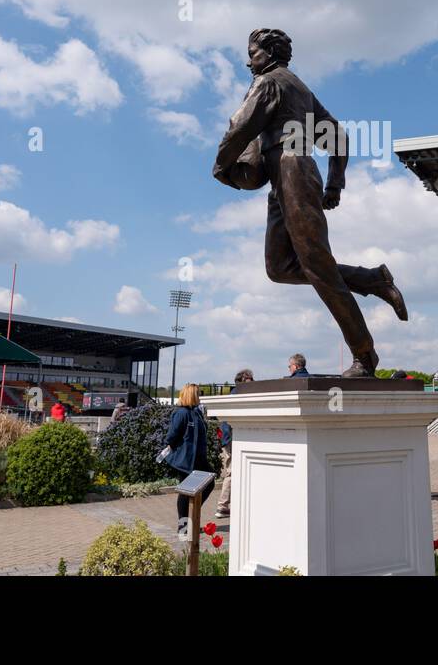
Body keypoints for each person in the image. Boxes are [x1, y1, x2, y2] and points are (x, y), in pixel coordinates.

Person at [211, 28, 408, 378]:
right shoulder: (299, 88)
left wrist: (220, 165)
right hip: (284, 175)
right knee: (280, 268)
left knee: (317, 266)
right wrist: (334, 183)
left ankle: (365, 356)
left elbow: (240, 127)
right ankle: (372, 279)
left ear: (269, 54)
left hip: (292, 168)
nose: (247, 60)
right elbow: (339, 137)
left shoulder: (270, 81)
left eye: (252, 52)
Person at [165, 383, 214, 530]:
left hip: (198, 459)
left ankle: (192, 517)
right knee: (185, 493)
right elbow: (171, 436)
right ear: (192, 395)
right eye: (198, 394)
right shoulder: (181, 413)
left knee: (208, 484)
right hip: (185, 460)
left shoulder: (196, 412)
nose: (200, 396)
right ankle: (184, 527)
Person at [214, 369, 254, 519]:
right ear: (242, 381)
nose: (252, 383)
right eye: (250, 380)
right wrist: (229, 444)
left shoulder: (237, 395)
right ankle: (222, 506)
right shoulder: (236, 396)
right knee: (232, 473)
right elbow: (227, 424)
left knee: (234, 473)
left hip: (232, 440)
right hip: (231, 441)